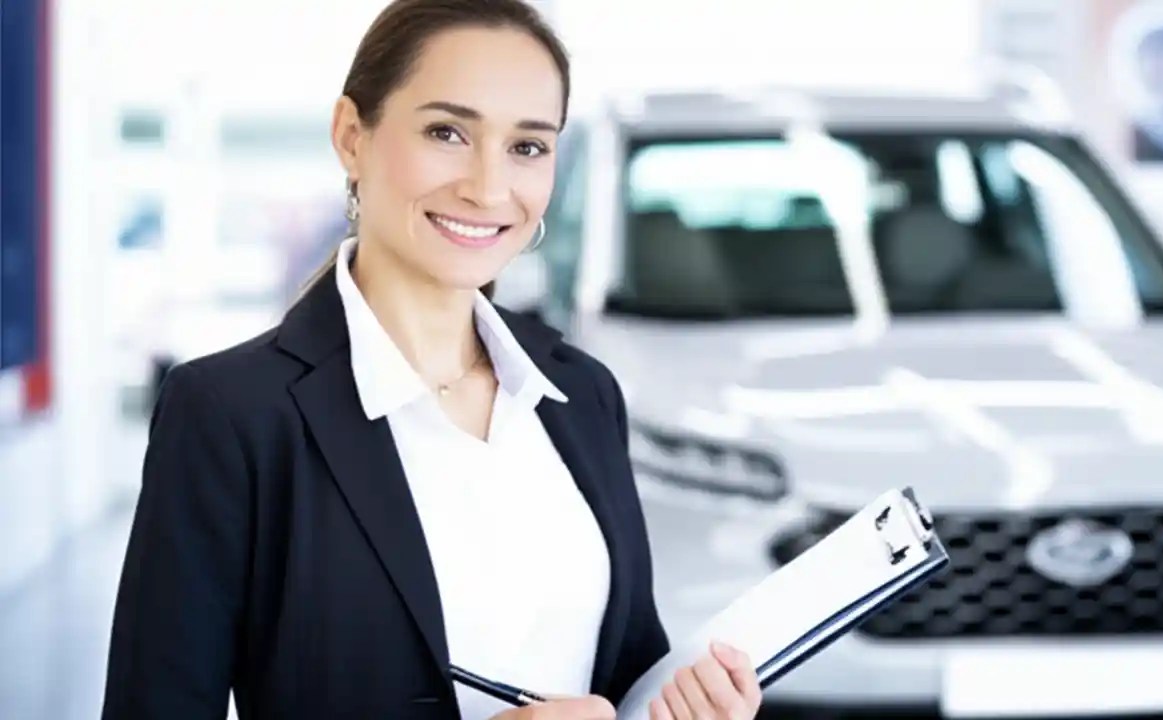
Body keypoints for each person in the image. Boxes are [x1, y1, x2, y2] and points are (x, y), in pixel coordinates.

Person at [100, 1, 764, 719]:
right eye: (447, 132)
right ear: (352, 137)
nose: (487, 187)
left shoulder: (580, 394)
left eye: (527, 147)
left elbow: (627, 676)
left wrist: (684, 707)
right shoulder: (230, 414)